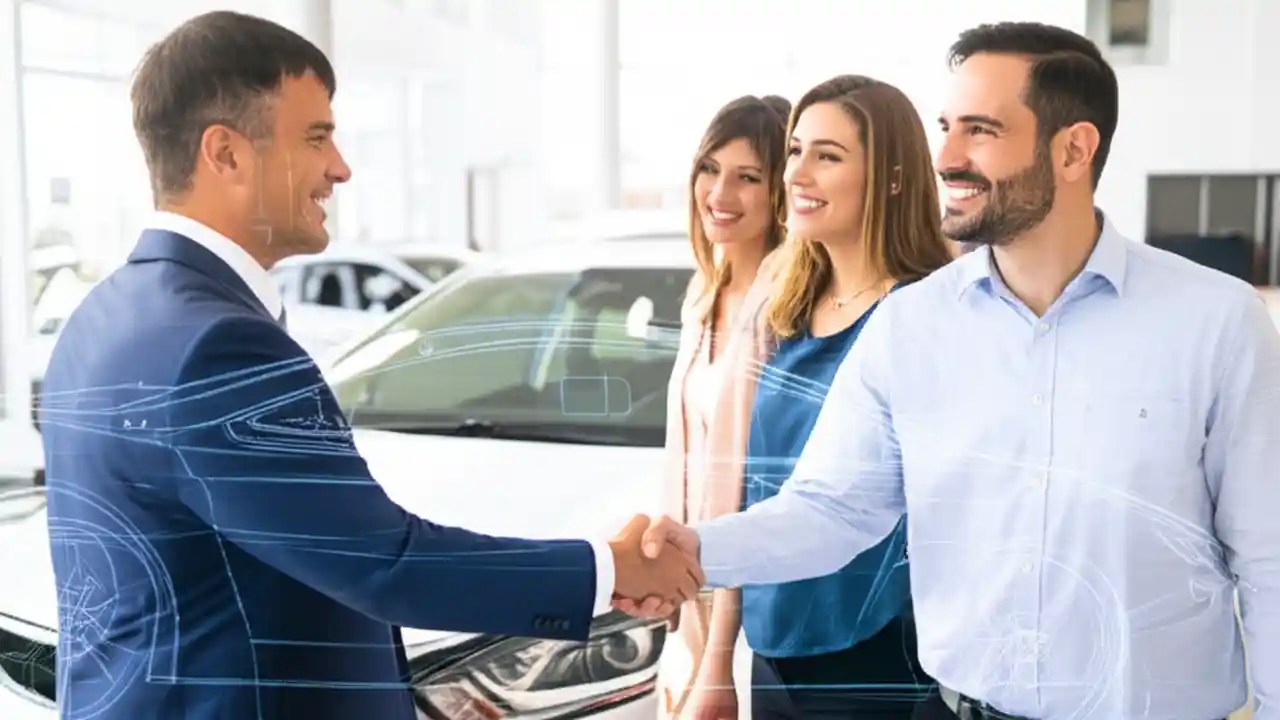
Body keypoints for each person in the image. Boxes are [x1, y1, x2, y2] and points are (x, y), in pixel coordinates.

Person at [37, 11, 698, 720]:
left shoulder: (105, 317)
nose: (340, 167)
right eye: (316, 137)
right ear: (224, 154)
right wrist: (610, 568)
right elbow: (385, 562)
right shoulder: (217, 344)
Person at [624, 21, 1280, 720]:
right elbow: (834, 509)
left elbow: (1268, 558)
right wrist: (694, 549)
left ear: (1074, 150)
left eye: (981, 130)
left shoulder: (1215, 322)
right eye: (945, 126)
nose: (945, 156)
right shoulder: (911, 326)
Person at [731, 74, 950, 720]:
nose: (798, 172)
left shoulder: (925, 315)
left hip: (873, 641)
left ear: (891, 177)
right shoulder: (789, 308)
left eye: (827, 156)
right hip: (774, 634)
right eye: (796, 150)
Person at [657, 93, 791, 718]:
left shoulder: (785, 308)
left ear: (780, 192)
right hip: (687, 609)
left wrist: (719, 659)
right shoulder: (702, 293)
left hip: (739, 623)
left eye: (747, 177)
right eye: (710, 169)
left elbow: (755, 493)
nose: (720, 192)